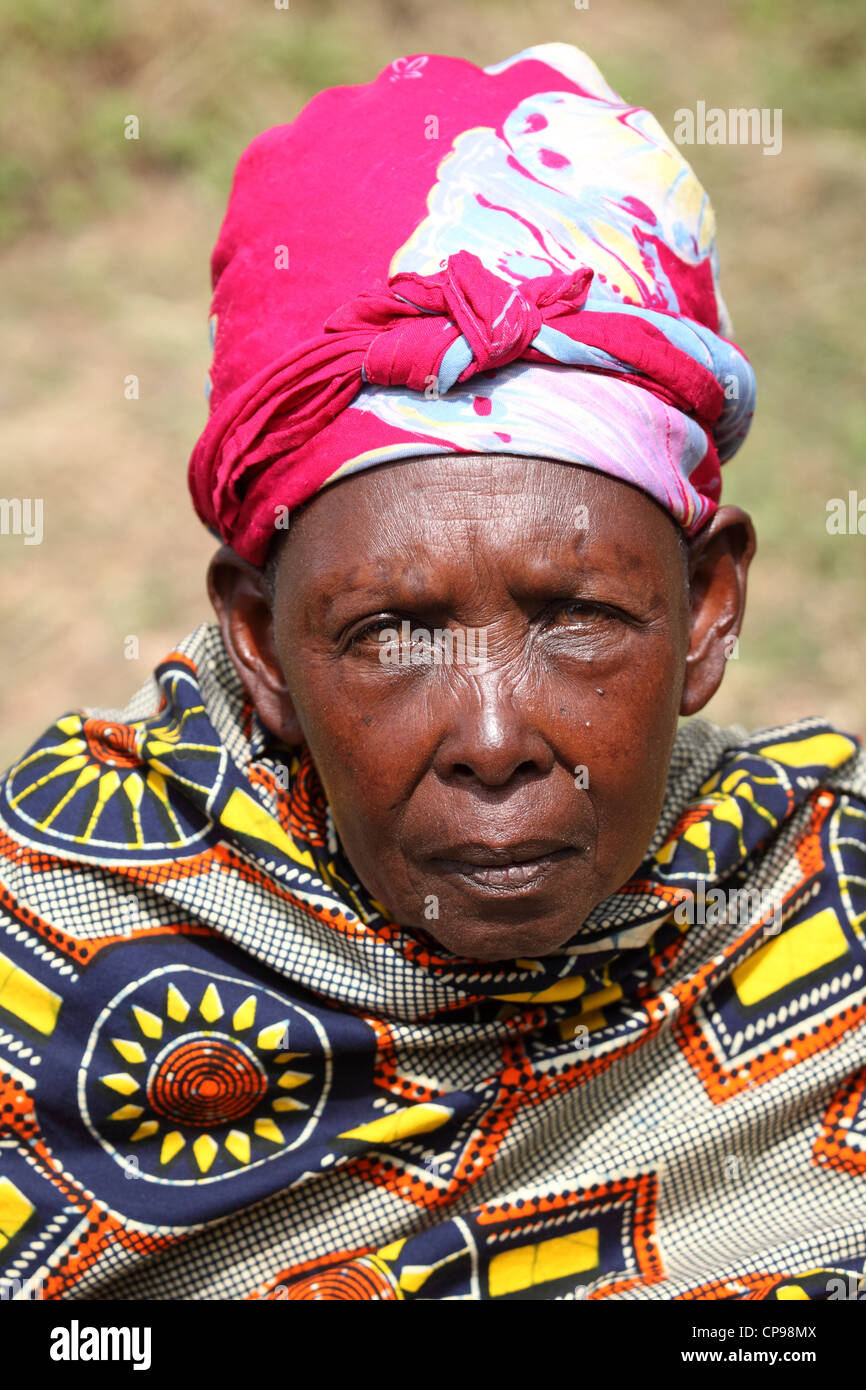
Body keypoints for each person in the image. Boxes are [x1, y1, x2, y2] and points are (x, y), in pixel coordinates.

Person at [1, 42, 864, 1303]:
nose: (495, 736)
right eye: (392, 634)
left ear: (706, 611)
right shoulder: (48, 963)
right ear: (259, 641)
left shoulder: (821, 914)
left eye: (576, 615)